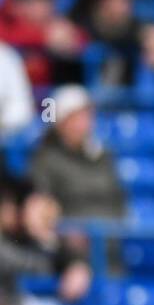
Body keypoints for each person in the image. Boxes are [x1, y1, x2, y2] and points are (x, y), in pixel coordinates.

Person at [28, 84, 126, 221]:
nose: (83, 123)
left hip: (109, 236)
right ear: (61, 122)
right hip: (67, 238)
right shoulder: (45, 159)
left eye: (87, 116)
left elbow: (119, 200)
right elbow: (43, 207)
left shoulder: (103, 155)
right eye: (76, 117)